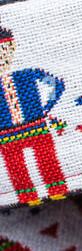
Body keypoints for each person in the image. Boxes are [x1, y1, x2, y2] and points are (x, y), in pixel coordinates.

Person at [0, 25, 67, 203]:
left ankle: (57, 190)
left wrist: (47, 106)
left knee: (47, 161)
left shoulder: (27, 75)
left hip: (36, 124)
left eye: (4, 49)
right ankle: (28, 197)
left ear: (11, 49)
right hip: (7, 133)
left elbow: (55, 84)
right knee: (16, 168)